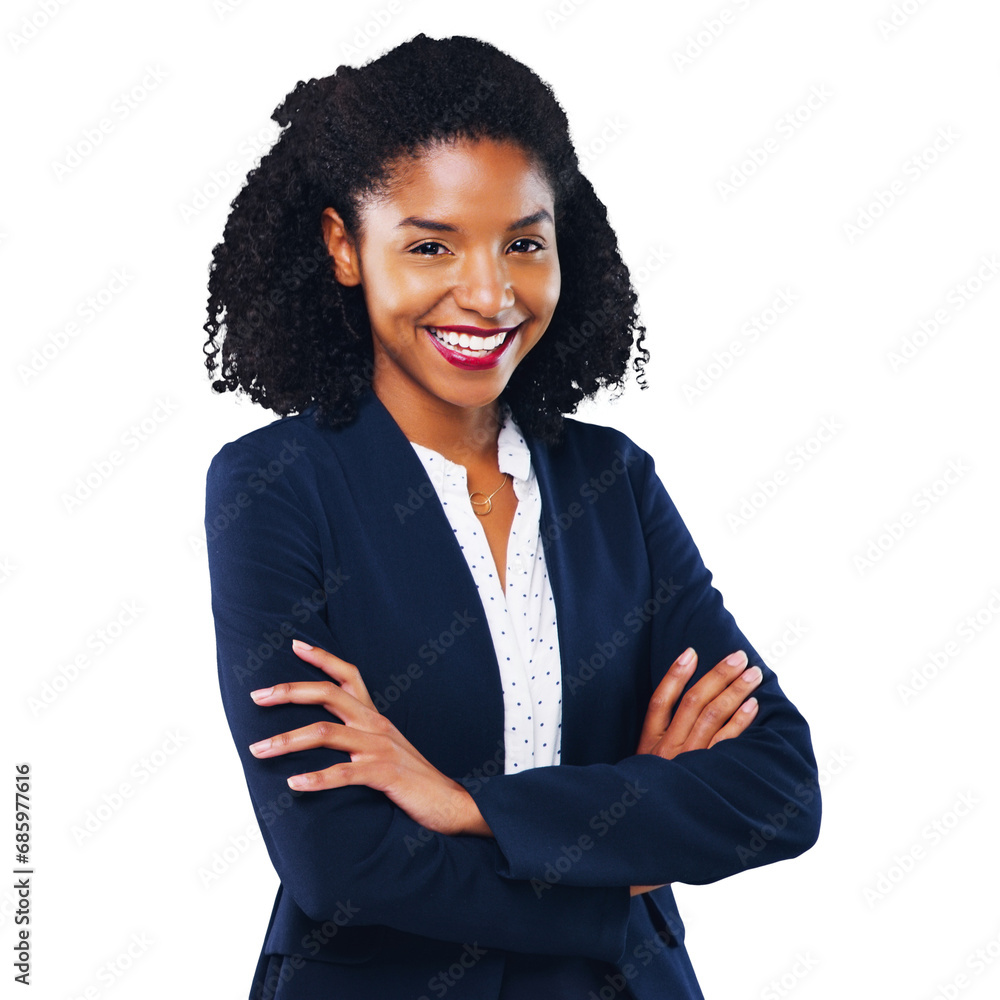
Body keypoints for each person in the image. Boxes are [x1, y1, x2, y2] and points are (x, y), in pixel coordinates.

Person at [203, 34, 821, 1000]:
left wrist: (461, 805)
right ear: (342, 247)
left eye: (523, 243)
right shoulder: (276, 487)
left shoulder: (611, 481)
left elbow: (778, 788)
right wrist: (626, 859)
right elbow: (340, 861)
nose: (489, 294)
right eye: (430, 245)